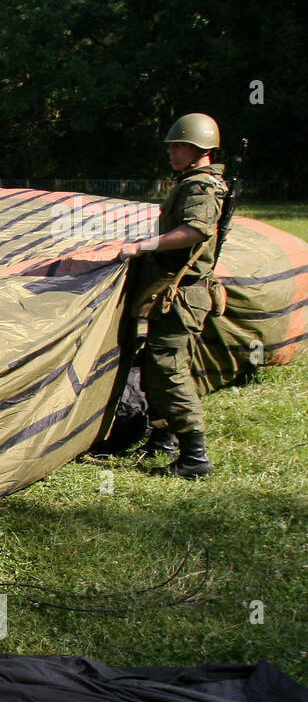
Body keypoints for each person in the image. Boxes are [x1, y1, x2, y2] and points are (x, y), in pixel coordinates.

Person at [118, 112, 227, 478]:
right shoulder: (193, 182)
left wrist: (144, 246)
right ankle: (163, 439)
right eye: (172, 146)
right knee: (155, 366)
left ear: (200, 149)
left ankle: (195, 457)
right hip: (175, 291)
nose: (172, 152)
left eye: (180, 146)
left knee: (169, 369)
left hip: (184, 295)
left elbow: (196, 230)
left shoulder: (200, 187)